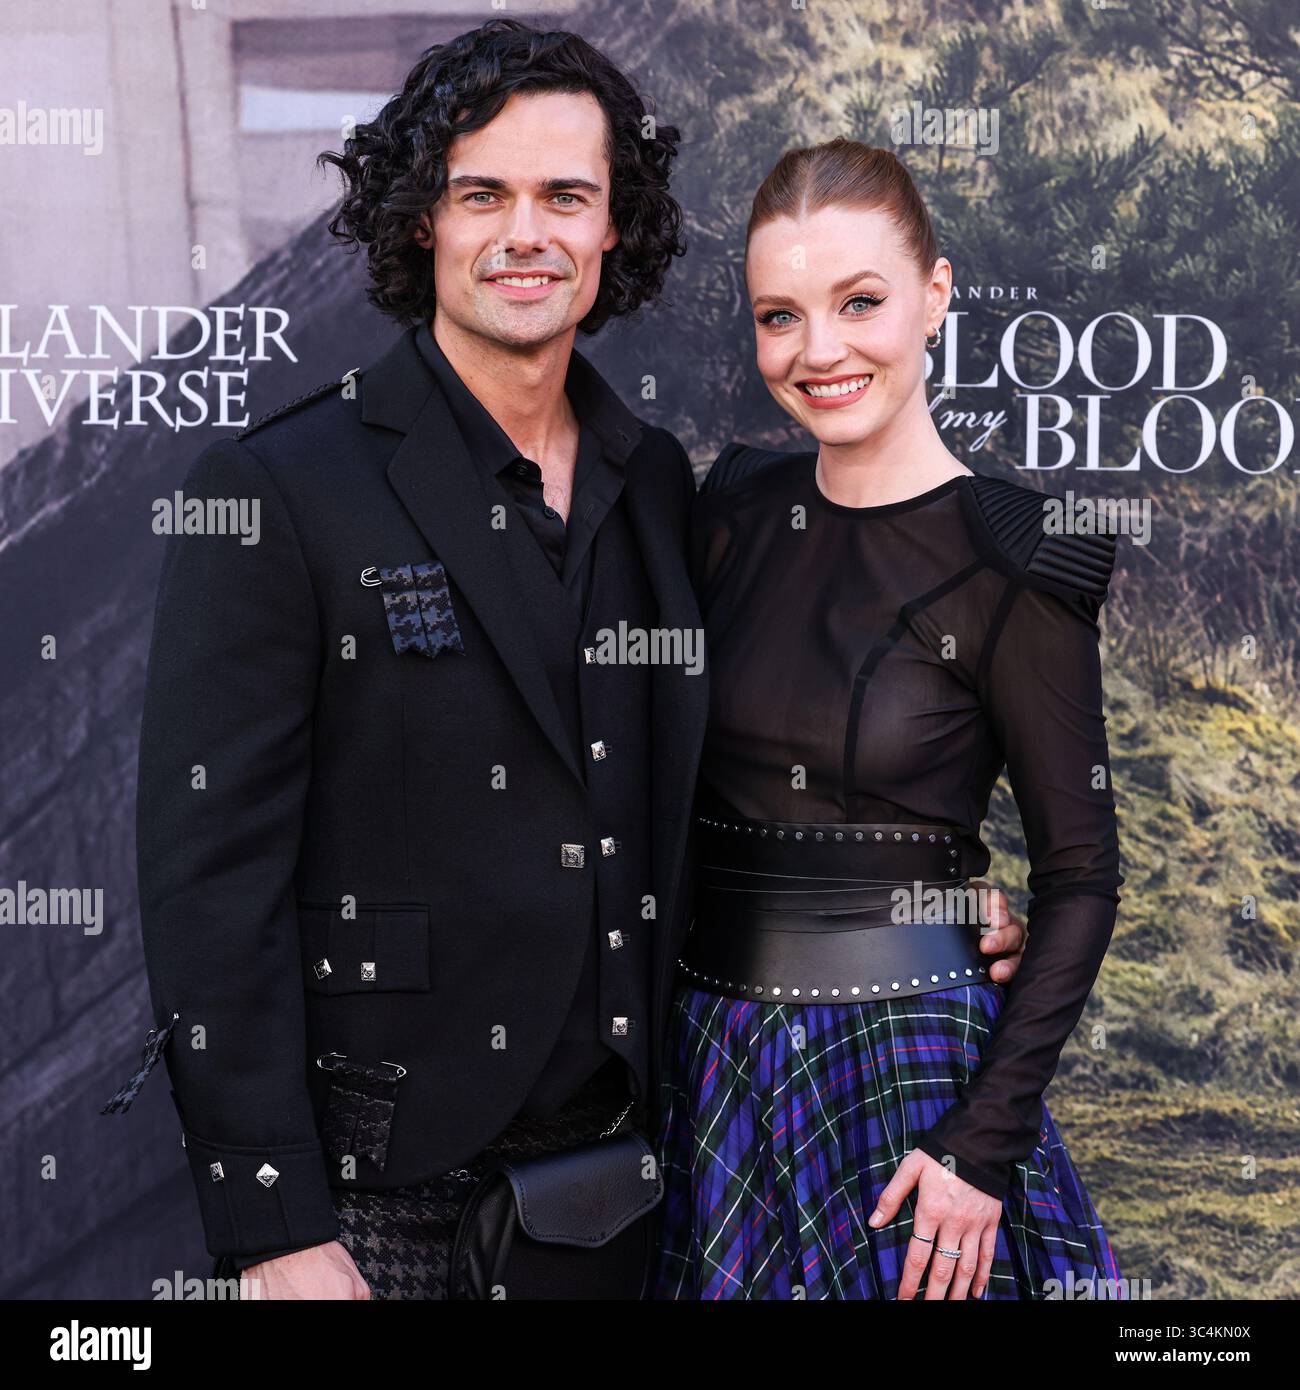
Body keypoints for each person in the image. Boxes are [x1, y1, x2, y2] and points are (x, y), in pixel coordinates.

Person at [106, 22, 1028, 1300]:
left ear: (614, 229)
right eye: (481, 192)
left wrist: (914, 899)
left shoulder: (654, 481)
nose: (522, 232)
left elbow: (699, 781)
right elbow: (208, 882)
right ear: (420, 217)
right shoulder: (277, 488)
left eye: (565, 197)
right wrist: (271, 1223)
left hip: (627, 1186)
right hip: (374, 1200)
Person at [655, 139, 1125, 1301]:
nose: (818, 351)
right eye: (779, 315)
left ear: (936, 295)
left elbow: (1083, 872)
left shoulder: (1014, 556)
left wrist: (980, 1150)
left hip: (908, 1075)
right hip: (707, 1066)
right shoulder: (728, 511)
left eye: (858, 302)